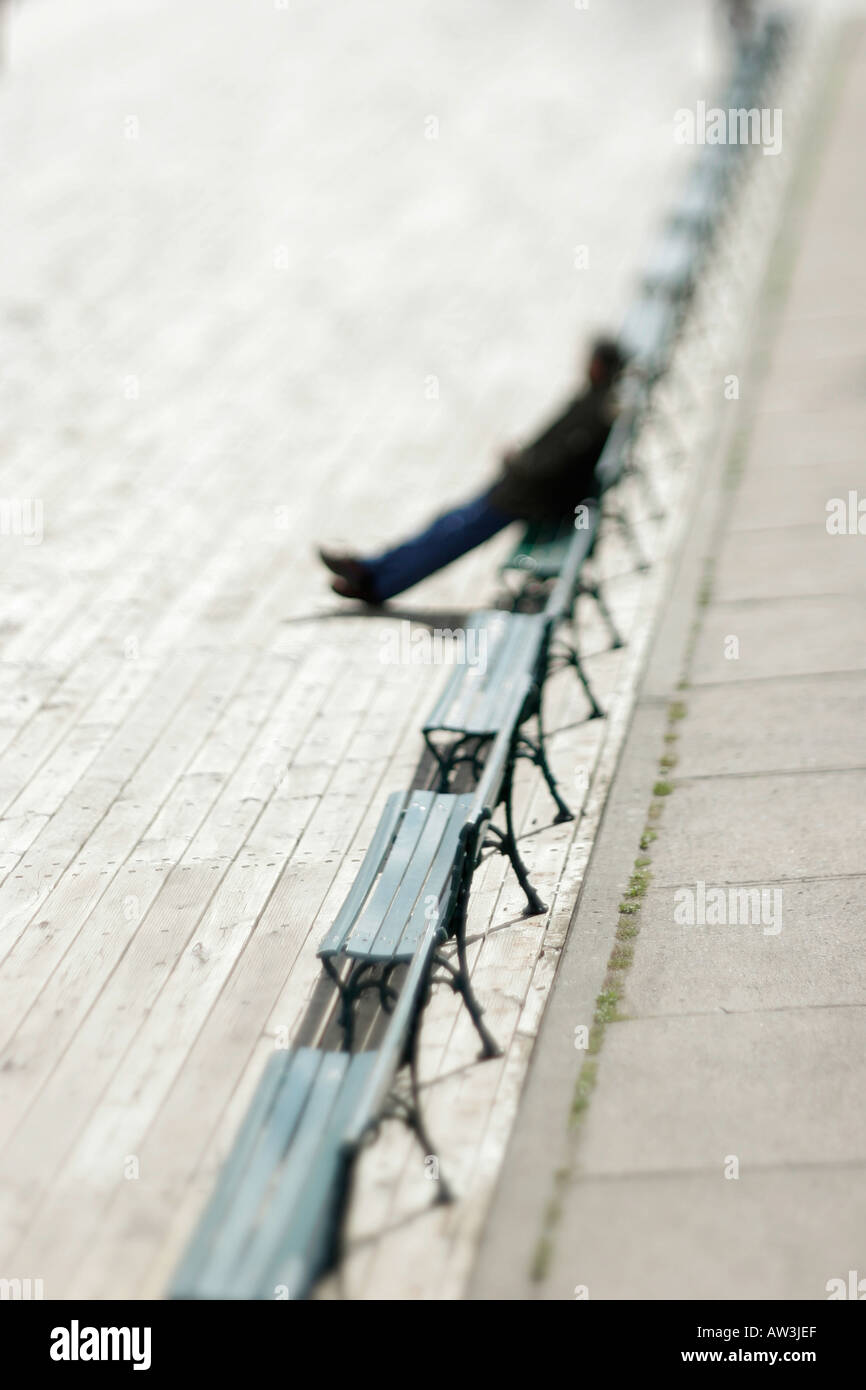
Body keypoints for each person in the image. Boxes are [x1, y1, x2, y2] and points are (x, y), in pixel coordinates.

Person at [319, 336, 627, 604]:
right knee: (447, 524)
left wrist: (518, 463)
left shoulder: (593, 413)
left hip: (528, 498)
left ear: (599, 366)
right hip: (521, 490)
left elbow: (555, 467)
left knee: (452, 532)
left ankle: (378, 582)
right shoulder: (594, 402)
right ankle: (371, 569)